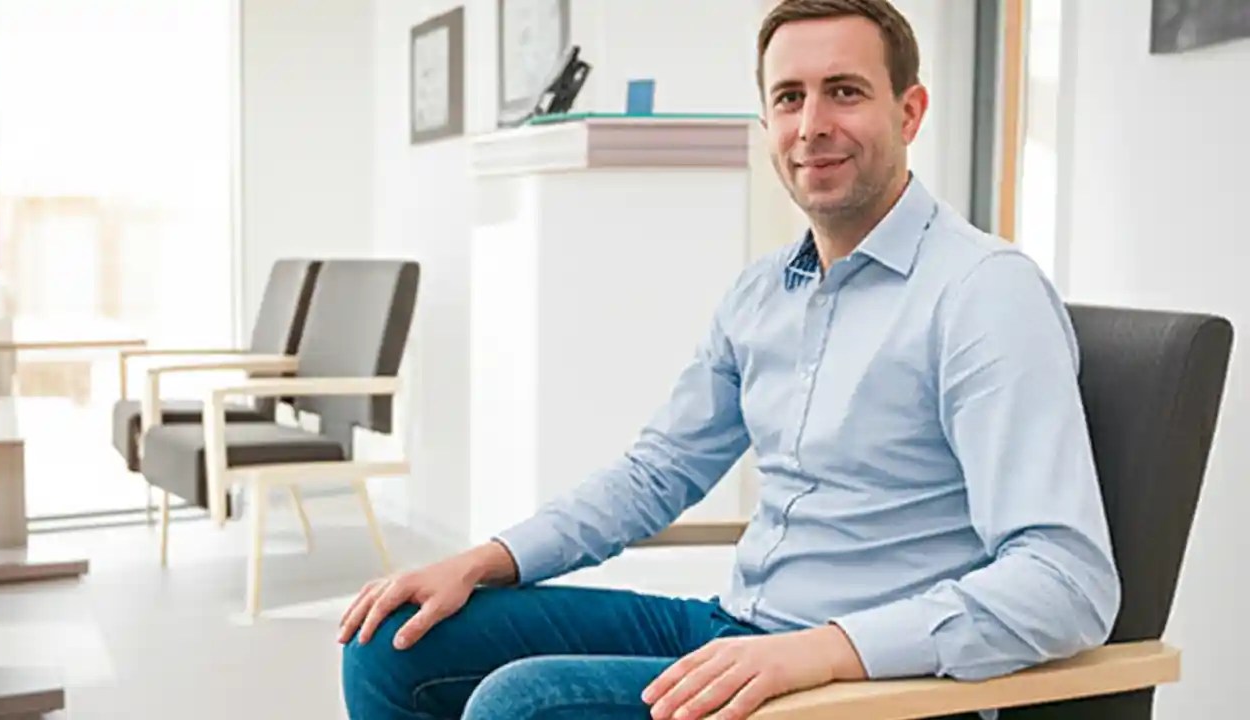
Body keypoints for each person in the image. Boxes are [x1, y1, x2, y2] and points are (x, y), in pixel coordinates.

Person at [338, 0, 1121, 718]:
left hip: (876, 685)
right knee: (393, 641)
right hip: (742, 631)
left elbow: (1067, 584)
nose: (812, 124)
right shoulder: (762, 294)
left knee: (523, 707)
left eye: (844, 91)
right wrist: (487, 560)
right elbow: (656, 474)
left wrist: (821, 651)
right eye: (789, 98)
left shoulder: (984, 293)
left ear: (909, 111)